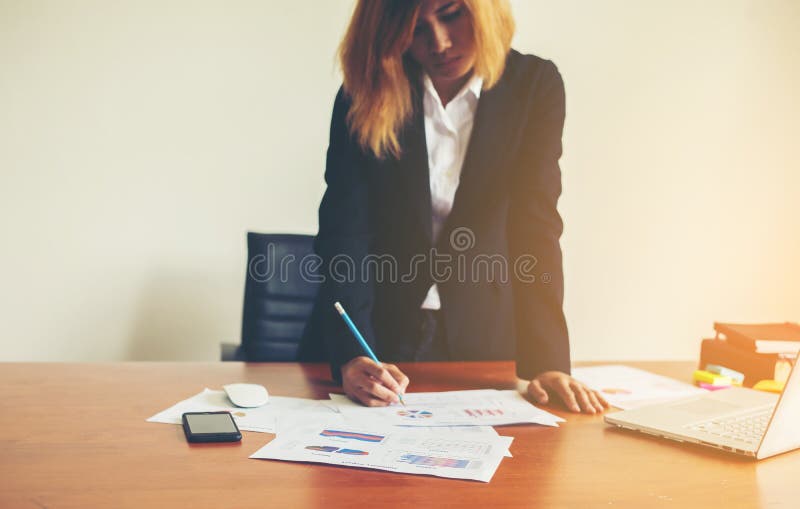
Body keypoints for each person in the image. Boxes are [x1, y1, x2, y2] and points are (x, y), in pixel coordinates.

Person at [301, 0, 608, 414]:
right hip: (373, 333)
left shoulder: (534, 85)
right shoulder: (365, 89)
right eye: (416, 27)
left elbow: (535, 228)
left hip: (483, 339)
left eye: (451, 14)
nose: (440, 43)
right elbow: (346, 231)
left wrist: (548, 361)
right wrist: (352, 354)